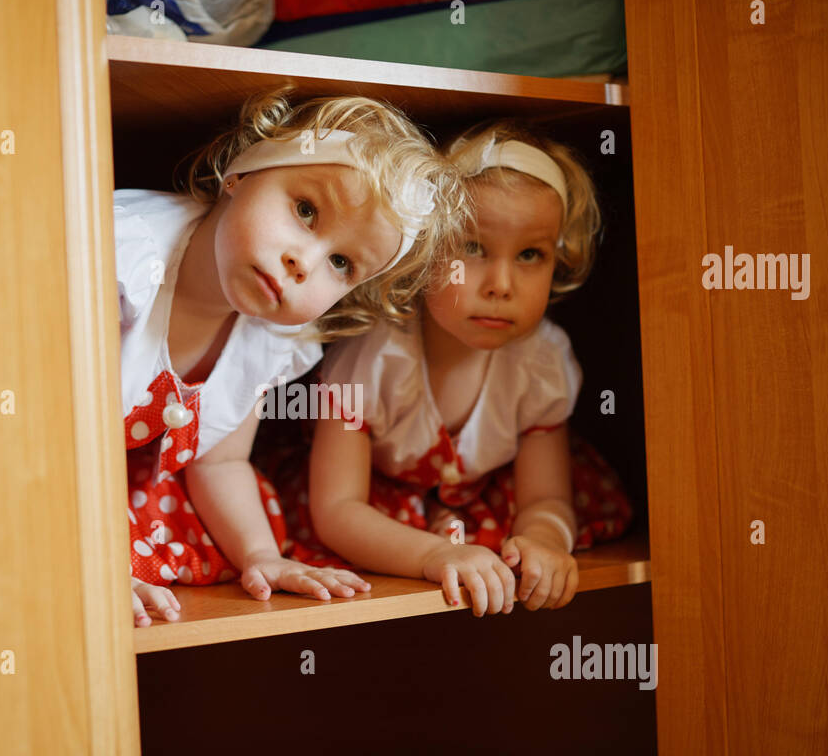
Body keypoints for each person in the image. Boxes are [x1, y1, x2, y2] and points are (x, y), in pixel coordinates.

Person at [116, 86, 467, 626]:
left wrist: (261, 556)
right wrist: (97, 557)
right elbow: (53, 439)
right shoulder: (127, 261)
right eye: (306, 210)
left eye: (343, 264)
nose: (303, 262)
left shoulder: (274, 339)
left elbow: (221, 460)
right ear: (241, 172)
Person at [304, 118, 628, 617]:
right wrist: (435, 554)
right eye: (472, 248)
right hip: (380, 515)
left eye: (529, 254)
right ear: (426, 249)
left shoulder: (540, 360)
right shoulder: (374, 356)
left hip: (486, 501)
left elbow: (545, 497)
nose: (501, 284)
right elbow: (337, 510)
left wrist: (543, 540)